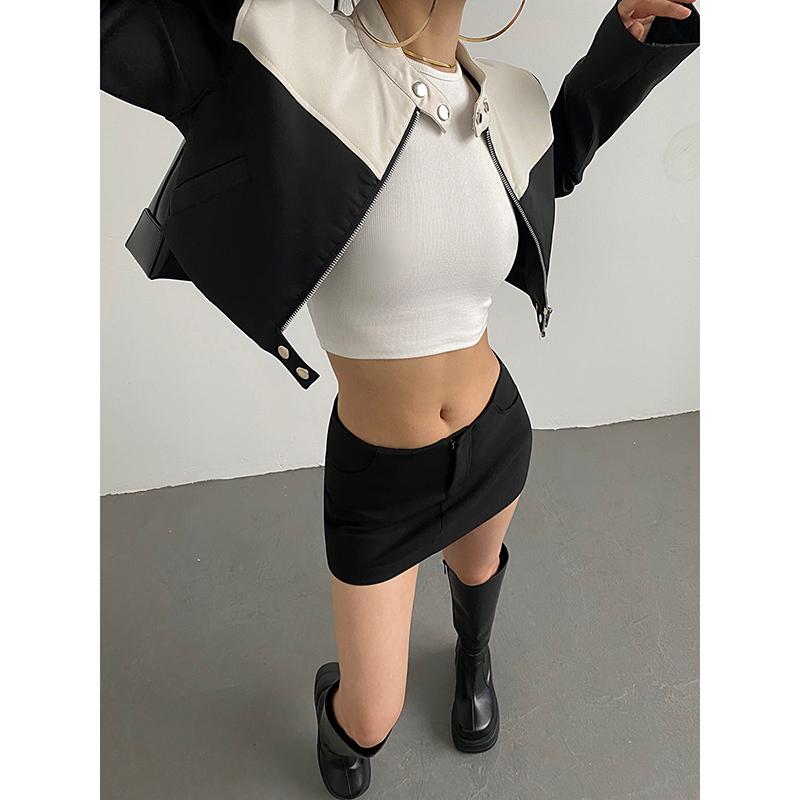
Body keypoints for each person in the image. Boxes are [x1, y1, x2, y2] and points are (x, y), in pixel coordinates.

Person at [100, 1, 700, 797]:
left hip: (496, 435)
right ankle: (351, 713)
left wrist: (629, 41)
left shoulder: (511, 98)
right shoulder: (280, 52)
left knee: (477, 576)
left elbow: (562, 152)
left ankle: (473, 655)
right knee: (369, 720)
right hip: (379, 478)